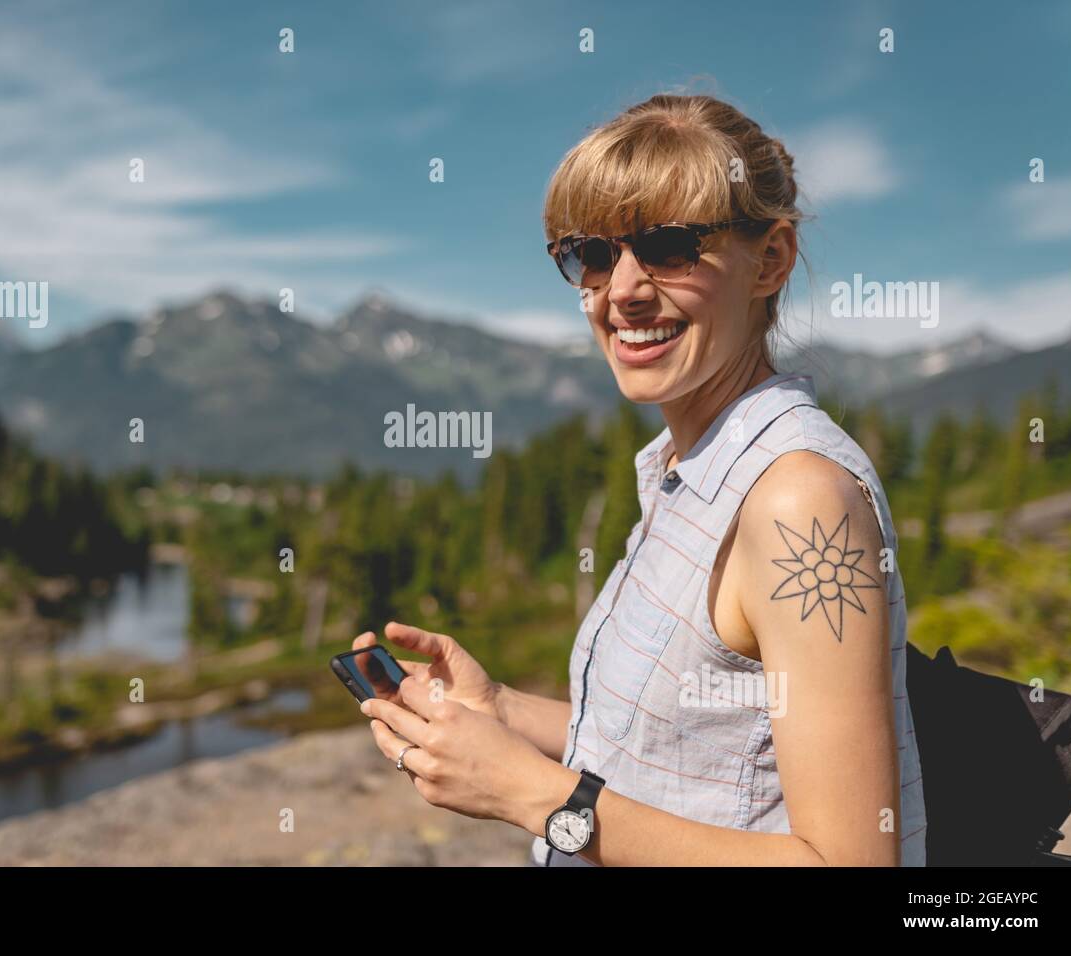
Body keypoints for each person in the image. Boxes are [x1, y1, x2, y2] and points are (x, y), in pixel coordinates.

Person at [354, 93, 927, 866]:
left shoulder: (797, 503)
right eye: (592, 254)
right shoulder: (685, 473)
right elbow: (683, 752)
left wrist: (531, 795)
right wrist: (499, 712)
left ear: (771, 260)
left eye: (667, 246)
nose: (620, 289)